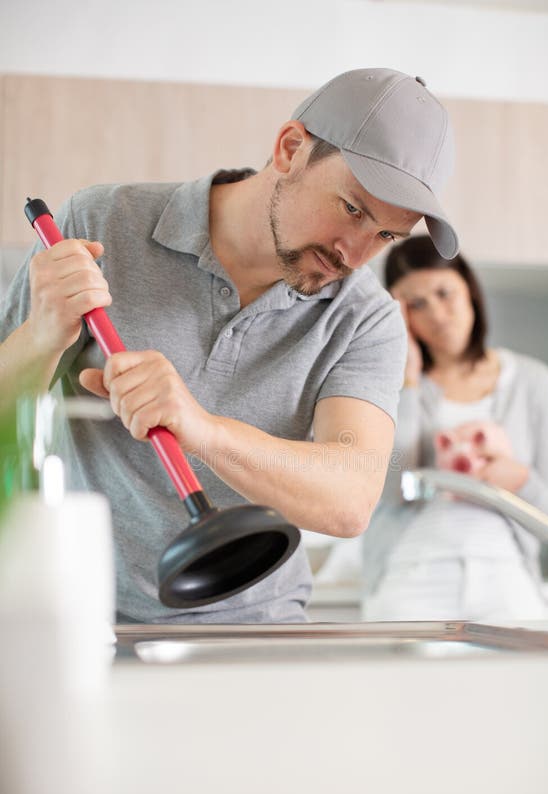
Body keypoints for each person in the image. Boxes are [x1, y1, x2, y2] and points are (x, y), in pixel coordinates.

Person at [0, 68, 458, 625]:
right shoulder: (99, 224)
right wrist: (43, 333)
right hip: (86, 620)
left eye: (386, 235)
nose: (354, 254)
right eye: (353, 209)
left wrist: (205, 430)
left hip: (258, 631)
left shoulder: (365, 318)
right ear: (291, 149)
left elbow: (351, 496)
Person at [362, 235, 548, 623]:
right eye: (416, 305)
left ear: (469, 289)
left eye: (444, 293)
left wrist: (519, 479)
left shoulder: (533, 382)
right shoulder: (395, 388)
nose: (437, 315)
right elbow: (391, 491)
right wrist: (407, 378)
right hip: (412, 570)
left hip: (504, 573)